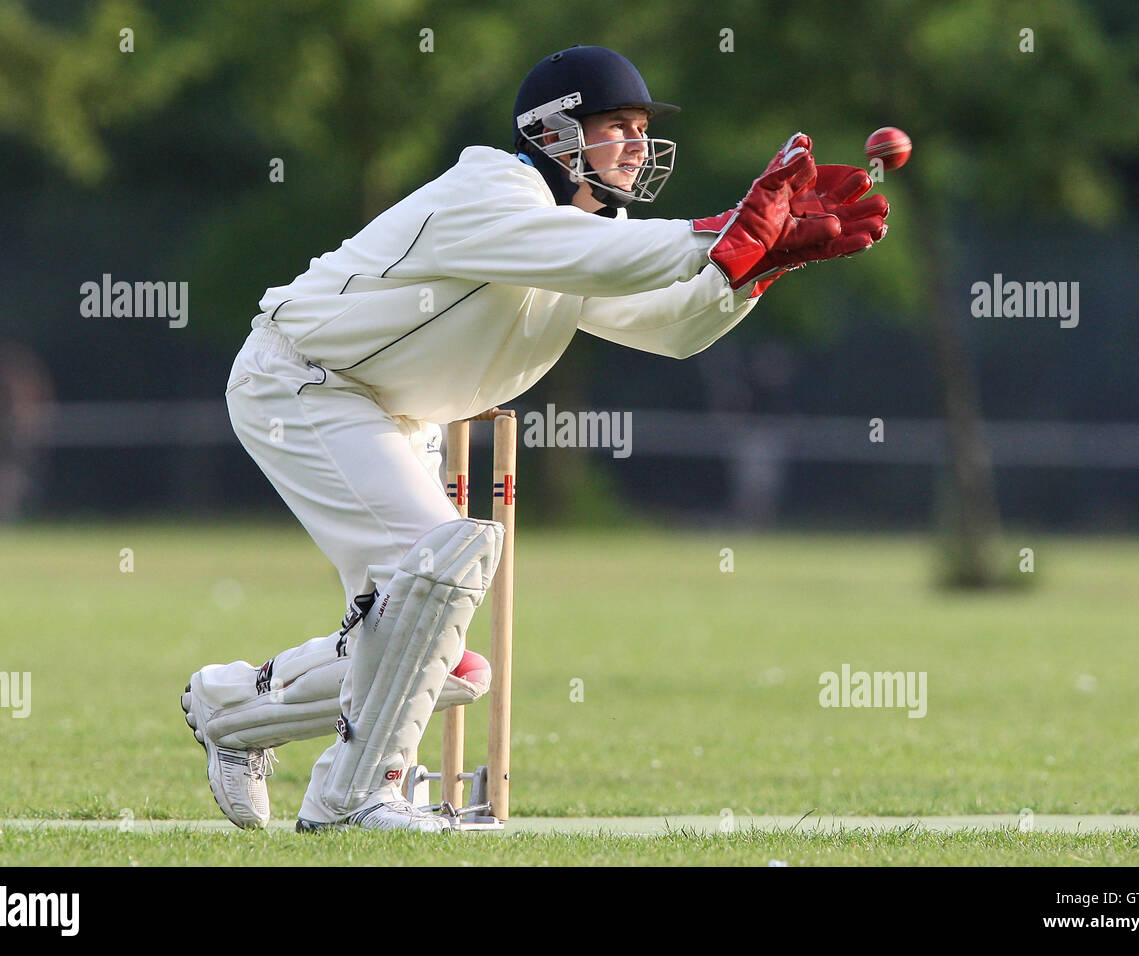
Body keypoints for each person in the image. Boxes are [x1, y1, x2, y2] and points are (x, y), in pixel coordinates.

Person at [181, 44, 888, 832]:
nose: (636, 143)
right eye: (616, 125)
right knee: (445, 562)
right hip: (304, 380)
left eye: (641, 128)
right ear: (554, 132)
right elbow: (609, 261)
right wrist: (724, 232)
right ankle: (352, 798)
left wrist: (752, 270)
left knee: (439, 661)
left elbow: (668, 327)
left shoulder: (582, 228)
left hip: (390, 413)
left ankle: (231, 710)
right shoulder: (491, 193)